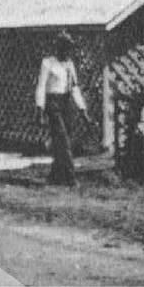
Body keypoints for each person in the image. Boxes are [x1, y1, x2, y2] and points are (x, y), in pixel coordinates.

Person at [35, 31, 90, 187]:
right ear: (58, 48)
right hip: (53, 103)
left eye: (69, 49)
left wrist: (82, 109)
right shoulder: (48, 63)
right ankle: (71, 178)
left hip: (66, 103)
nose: (67, 52)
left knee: (64, 141)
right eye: (64, 48)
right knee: (63, 140)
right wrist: (39, 109)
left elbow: (74, 87)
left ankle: (54, 177)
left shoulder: (69, 65)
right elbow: (41, 87)